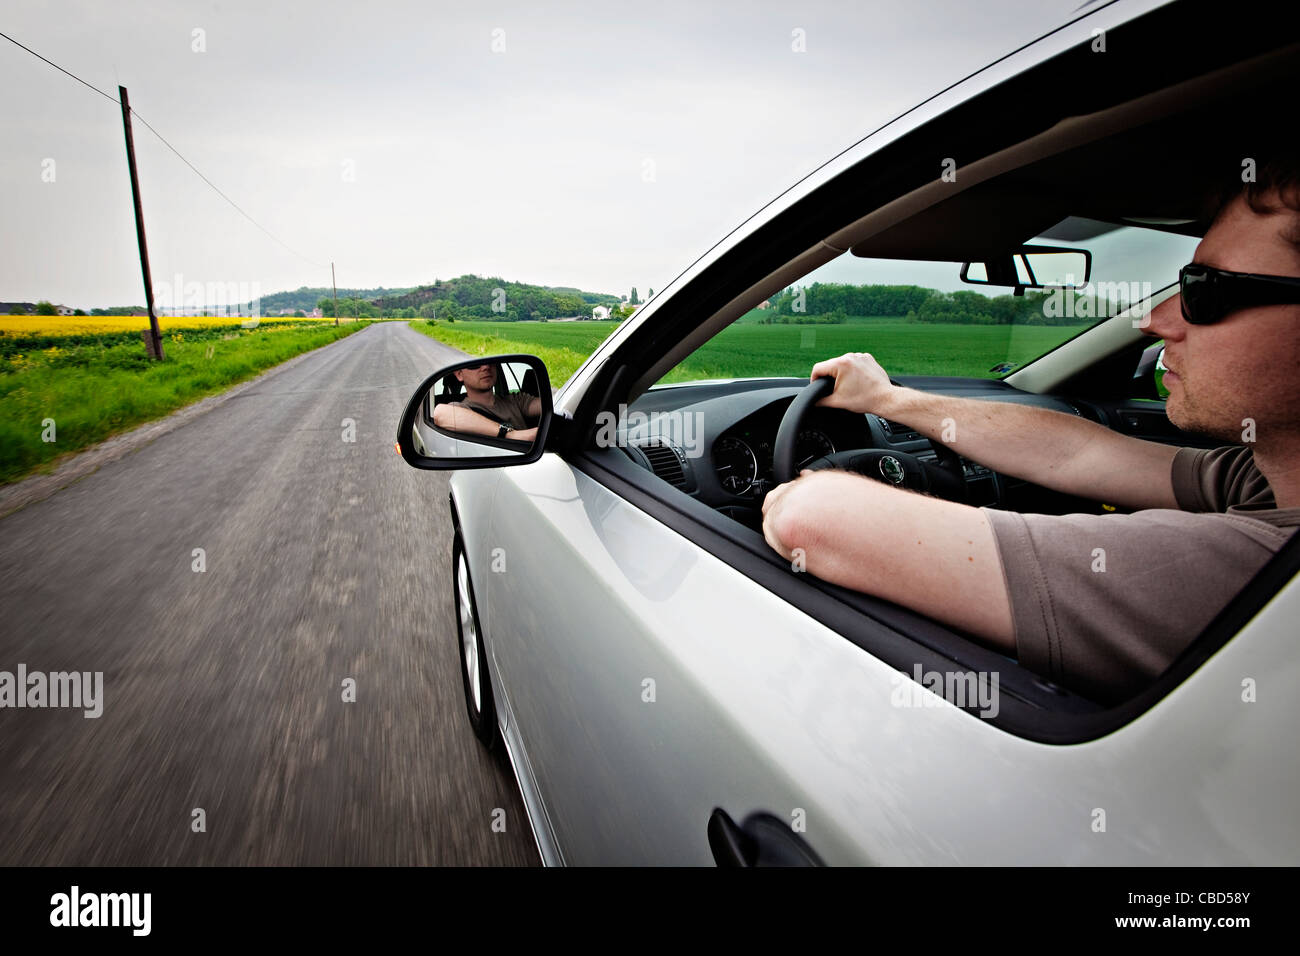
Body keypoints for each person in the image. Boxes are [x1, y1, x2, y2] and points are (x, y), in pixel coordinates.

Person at [761, 164, 1300, 705]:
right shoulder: (1262, 479)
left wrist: (811, 486)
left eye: (1203, 290)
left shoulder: (1254, 576)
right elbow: (1078, 450)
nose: (1155, 321)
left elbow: (811, 520)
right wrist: (887, 401)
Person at [432, 362, 541, 443]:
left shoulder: (515, 400)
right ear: (460, 374)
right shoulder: (461, 408)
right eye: (474, 364)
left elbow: (550, 405)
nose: (486, 367)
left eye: (491, 362)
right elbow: (440, 413)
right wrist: (512, 435)